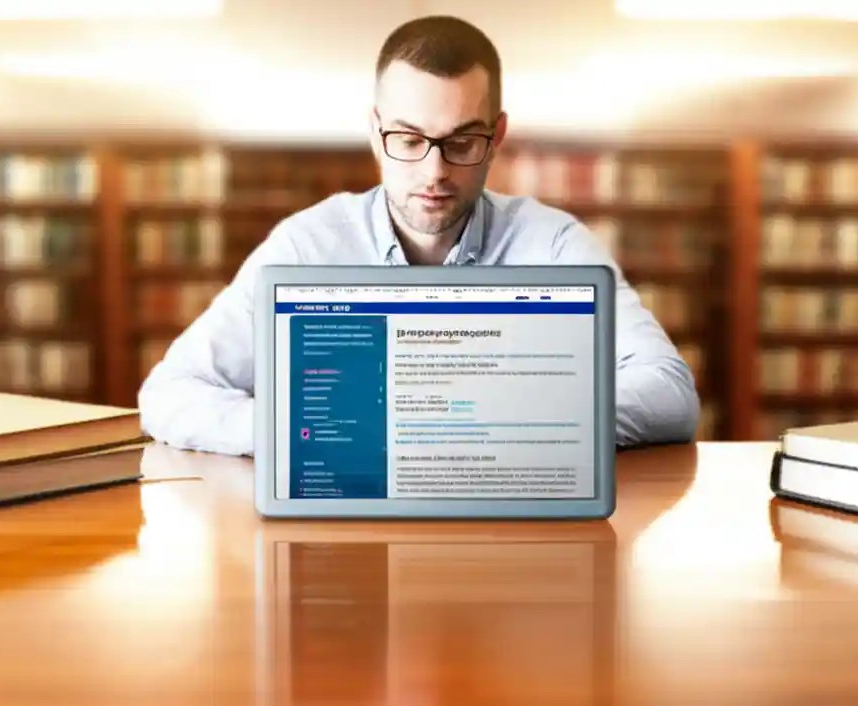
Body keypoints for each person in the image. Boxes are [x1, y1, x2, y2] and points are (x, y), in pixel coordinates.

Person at [138, 15, 699, 456]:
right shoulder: (307, 245)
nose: (434, 172)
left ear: (497, 135)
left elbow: (669, 392)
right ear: (375, 131)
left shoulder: (553, 243)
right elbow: (171, 393)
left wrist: (489, 422)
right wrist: (321, 431)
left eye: (461, 142)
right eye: (409, 139)